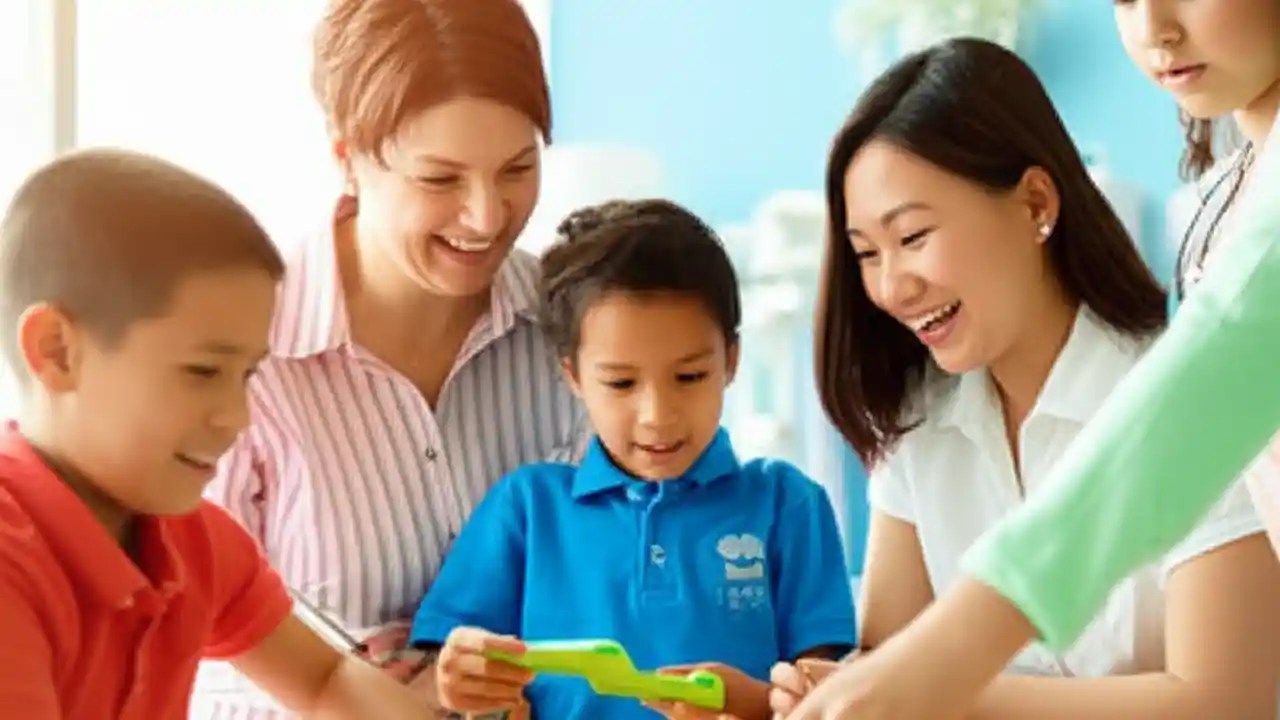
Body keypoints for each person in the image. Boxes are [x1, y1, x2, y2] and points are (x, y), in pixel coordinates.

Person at [776, 3, 1280, 718]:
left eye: (914, 235)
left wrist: (945, 681)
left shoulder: (1169, 382)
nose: (892, 285)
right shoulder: (921, 419)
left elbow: (1226, 700)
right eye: (865, 253)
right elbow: (886, 663)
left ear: (1036, 203)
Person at [194, 0, 588, 715]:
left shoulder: (579, 329)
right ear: (348, 159)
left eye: (516, 169)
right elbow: (200, 658)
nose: (486, 216)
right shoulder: (242, 361)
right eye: (439, 180)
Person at [0, 148, 436, 719]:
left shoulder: (195, 541)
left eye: (248, 373)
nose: (236, 416)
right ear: (57, 351)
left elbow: (328, 682)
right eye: (202, 372)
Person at [407, 199, 857, 720]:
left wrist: (750, 706)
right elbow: (450, 668)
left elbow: (826, 703)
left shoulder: (787, 504)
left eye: (689, 377)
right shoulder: (527, 509)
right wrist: (459, 680)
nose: (657, 416)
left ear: (731, 360)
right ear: (573, 376)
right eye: (621, 383)